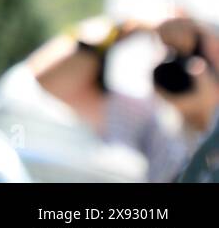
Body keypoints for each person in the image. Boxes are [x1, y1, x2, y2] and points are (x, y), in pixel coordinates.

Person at [27, 13, 219, 182]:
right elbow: (47, 79)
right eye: (188, 55)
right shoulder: (152, 120)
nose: (196, 68)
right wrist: (131, 26)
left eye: (208, 63)